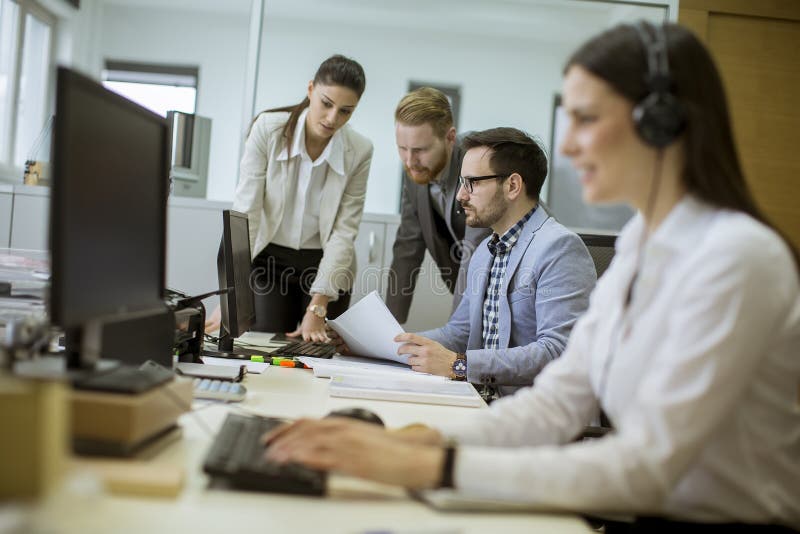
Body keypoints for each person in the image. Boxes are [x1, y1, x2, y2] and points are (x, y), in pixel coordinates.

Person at [263, 22, 800, 530]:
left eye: (586, 119)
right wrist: (422, 443)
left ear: (660, 123)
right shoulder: (642, 245)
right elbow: (559, 399)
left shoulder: (737, 256)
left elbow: (646, 466)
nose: (566, 147)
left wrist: (437, 466)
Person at [393, 127, 596, 395]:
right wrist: (389, 345)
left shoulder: (559, 248)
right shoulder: (486, 252)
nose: (460, 196)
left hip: (531, 416)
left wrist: (460, 365)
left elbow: (557, 351)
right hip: (482, 402)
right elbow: (459, 333)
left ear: (512, 186)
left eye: (472, 183)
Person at [206, 55, 373, 342]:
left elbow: (343, 233)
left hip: (326, 263)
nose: (333, 119)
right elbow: (246, 215)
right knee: (263, 345)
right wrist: (230, 298)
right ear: (310, 90)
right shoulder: (268, 130)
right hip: (270, 258)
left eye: (346, 111)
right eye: (326, 104)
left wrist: (318, 305)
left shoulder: (359, 150)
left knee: (318, 352)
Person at [386, 88, 491, 323]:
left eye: (420, 150)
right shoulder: (415, 171)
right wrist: (388, 328)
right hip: (473, 297)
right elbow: (407, 247)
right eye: (402, 149)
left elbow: (474, 250)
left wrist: (456, 330)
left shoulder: (478, 161)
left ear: (450, 137)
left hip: (516, 290)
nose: (410, 161)